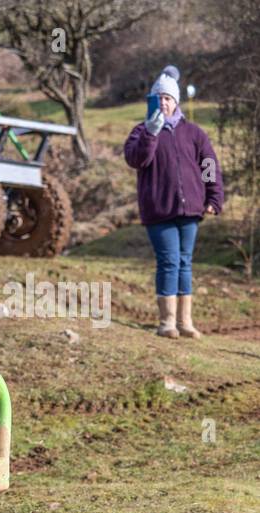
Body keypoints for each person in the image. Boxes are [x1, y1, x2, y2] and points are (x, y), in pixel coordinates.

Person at [124, 65, 223, 339]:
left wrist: (213, 197)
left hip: (190, 208)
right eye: (159, 98)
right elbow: (136, 160)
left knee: (185, 261)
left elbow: (208, 165)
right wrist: (151, 134)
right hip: (159, 209)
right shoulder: (141, 131)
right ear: (153, 101)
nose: (164, 102)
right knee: (169, 261)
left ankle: (185, 322)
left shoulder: (194, 133)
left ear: (176, 101)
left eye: (168, 98)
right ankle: (167, 322)